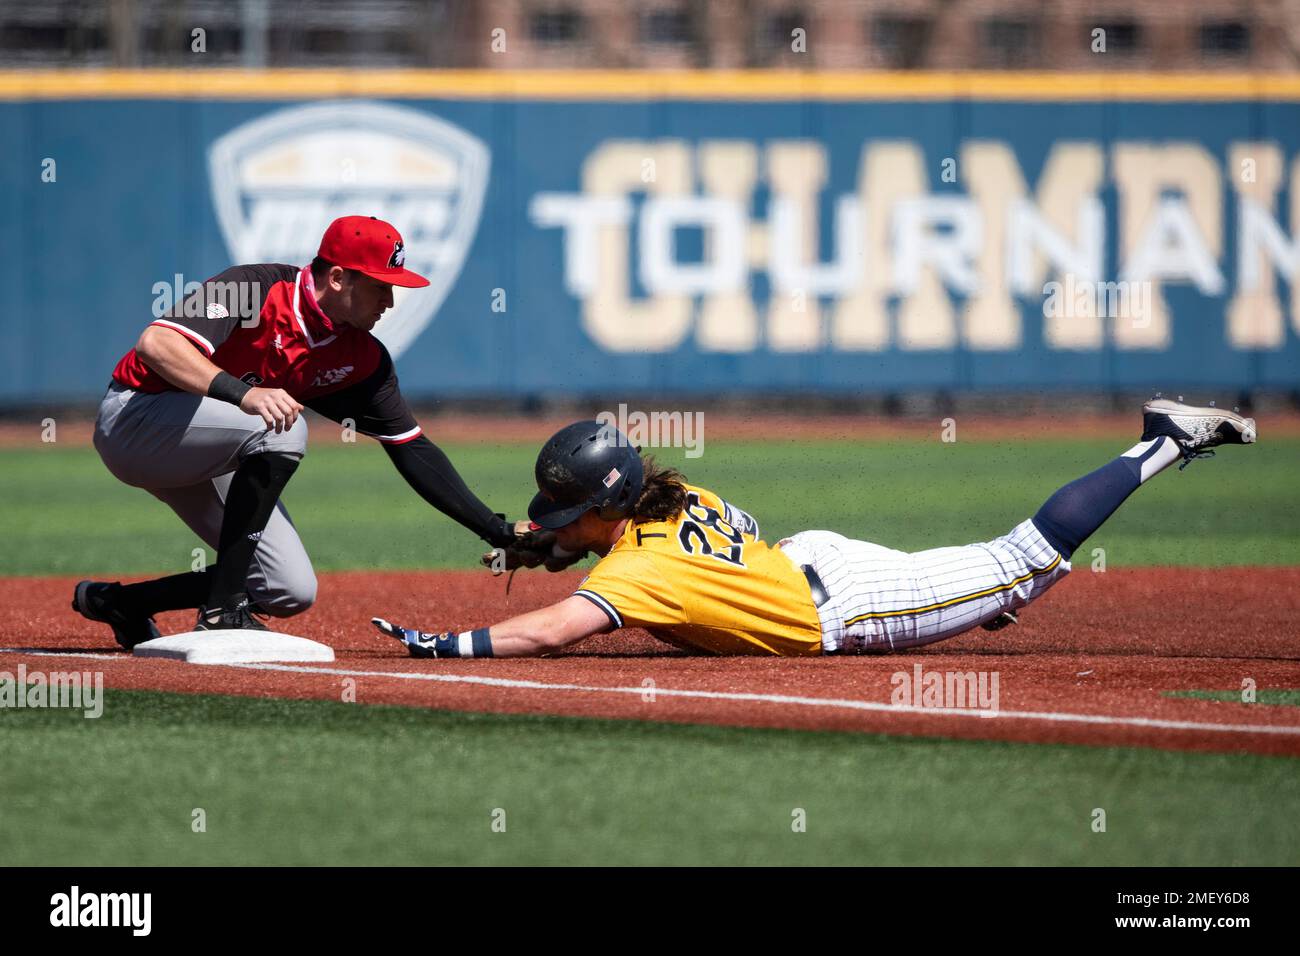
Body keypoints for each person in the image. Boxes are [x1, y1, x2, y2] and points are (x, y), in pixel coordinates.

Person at [372, 399, 1256, 658]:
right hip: (805, 557)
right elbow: (592, 540)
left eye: (572, 512)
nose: (560, 526)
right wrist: (548, 541)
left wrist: (449, 645)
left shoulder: (633, 573)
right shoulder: (676, 494)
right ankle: (979, 600)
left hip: (850, 604)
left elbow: (555, 630)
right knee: (990, 585)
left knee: (1019, 561)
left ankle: (1165, 442)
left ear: (606, 506)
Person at [74, 215, 530, 646]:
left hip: (212, 445)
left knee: (288, 590)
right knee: (282, 431)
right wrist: (244, 395)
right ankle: (222, 611)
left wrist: (499, 532)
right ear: (337, 278)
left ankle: (121, 604)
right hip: (137, 420)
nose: (389, 303)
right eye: (379, 288)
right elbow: (158, 345)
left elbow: (411, 448)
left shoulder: (361, 357)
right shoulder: (254, 289)